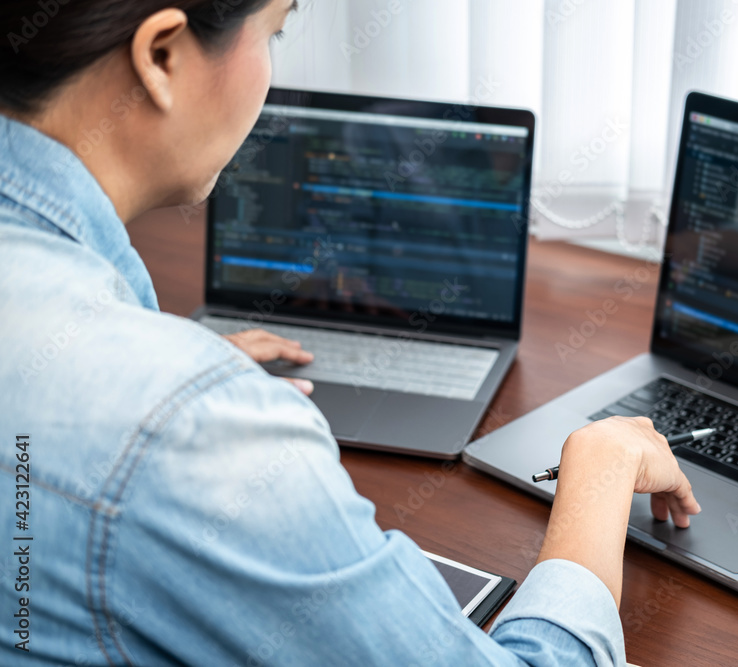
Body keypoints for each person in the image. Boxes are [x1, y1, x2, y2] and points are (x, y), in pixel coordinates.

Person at [0, 2, 700, 664]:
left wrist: (154, 371)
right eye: (273, 34)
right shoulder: (189, 421)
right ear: (161, 55)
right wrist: (600, 475)